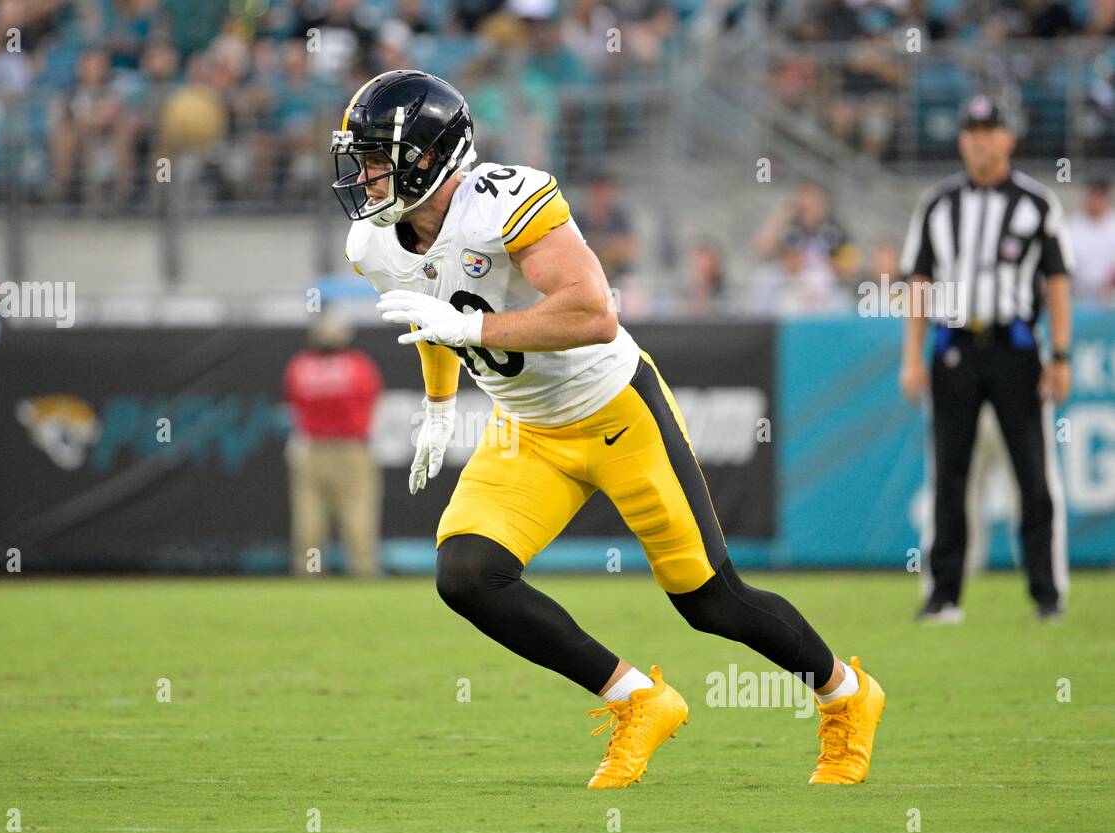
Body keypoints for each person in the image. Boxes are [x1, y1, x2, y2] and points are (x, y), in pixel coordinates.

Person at [331, 70, 885, 788]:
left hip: (616, 412)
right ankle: (638, 701)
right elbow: (425, 318)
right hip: (527, 429)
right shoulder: (372, 245)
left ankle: (845, 695)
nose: (365, 173)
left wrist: (472, 325)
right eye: (363, 155)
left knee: (710, 600)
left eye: (379, 156)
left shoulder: (502, 200)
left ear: (432, 157)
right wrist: (440, 406)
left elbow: (593, 313)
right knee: (467, 574)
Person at [899, 94, 1072, 622]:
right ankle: (943, 594)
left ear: (1008, 138)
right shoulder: (937, 203)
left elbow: (1058, 281)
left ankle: (1047, 594)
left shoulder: (1037, 203)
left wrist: (1060, 353)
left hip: (1016, 347)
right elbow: (919, 282)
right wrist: (912, 356)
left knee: (1033, 473)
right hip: (953, 349)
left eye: (989, 129)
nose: (979, 138)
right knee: (950, 474)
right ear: (961, 139)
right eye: (971, 130)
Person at [281, 312, 384, 578]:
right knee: (358, 509)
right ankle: (363, 570)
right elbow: (372, 401)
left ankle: (307, 569)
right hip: (351, 447)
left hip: (312, 447)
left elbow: (293, 405)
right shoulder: (358, 365)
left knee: (309, 510)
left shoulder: (300, 366)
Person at [1068, 178, 1115, 302]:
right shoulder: (1072, 225)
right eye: (1093, 195)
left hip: (1110, 298)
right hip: (1077, 295)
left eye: (1100, 196)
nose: (1096, 201)